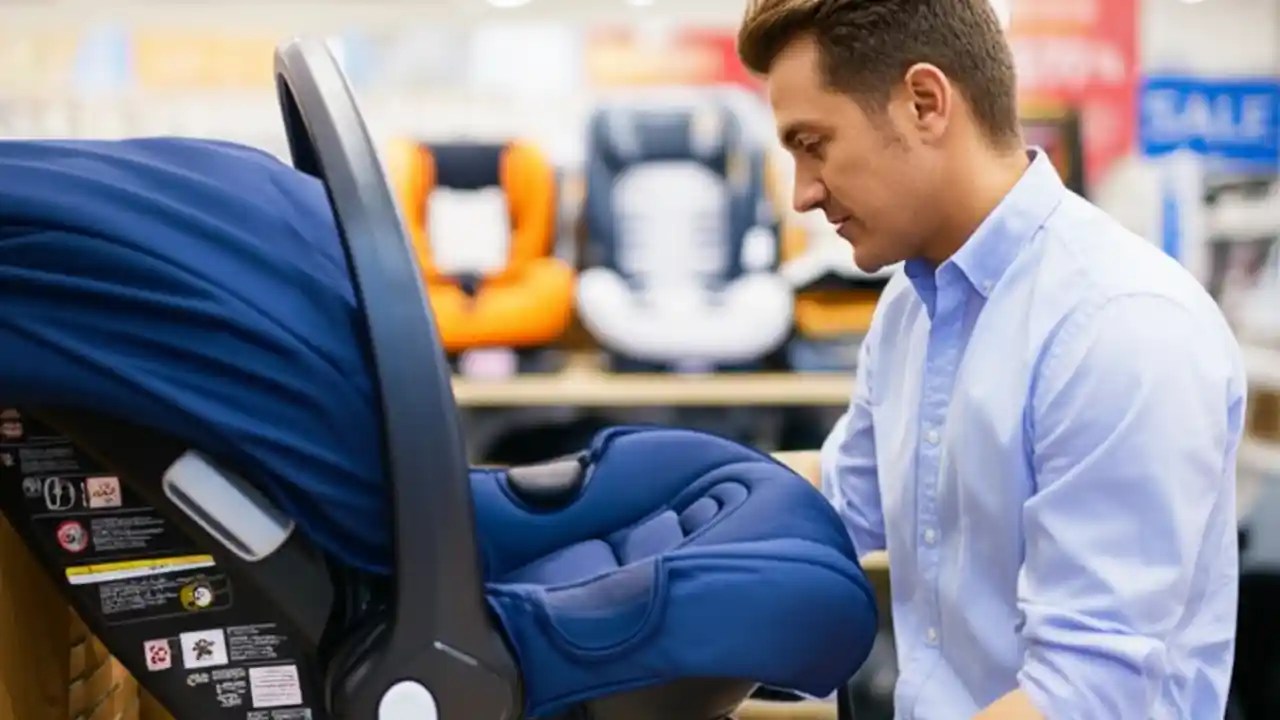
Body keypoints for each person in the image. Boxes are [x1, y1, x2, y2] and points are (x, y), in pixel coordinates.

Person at [737, 1, 1245, 718]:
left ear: (924, 103)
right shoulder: (913, 308)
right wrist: (626, 532)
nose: (802, 193)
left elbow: (1084, 697)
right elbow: (841, 502)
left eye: (813, 143)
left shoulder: (1120, 327)